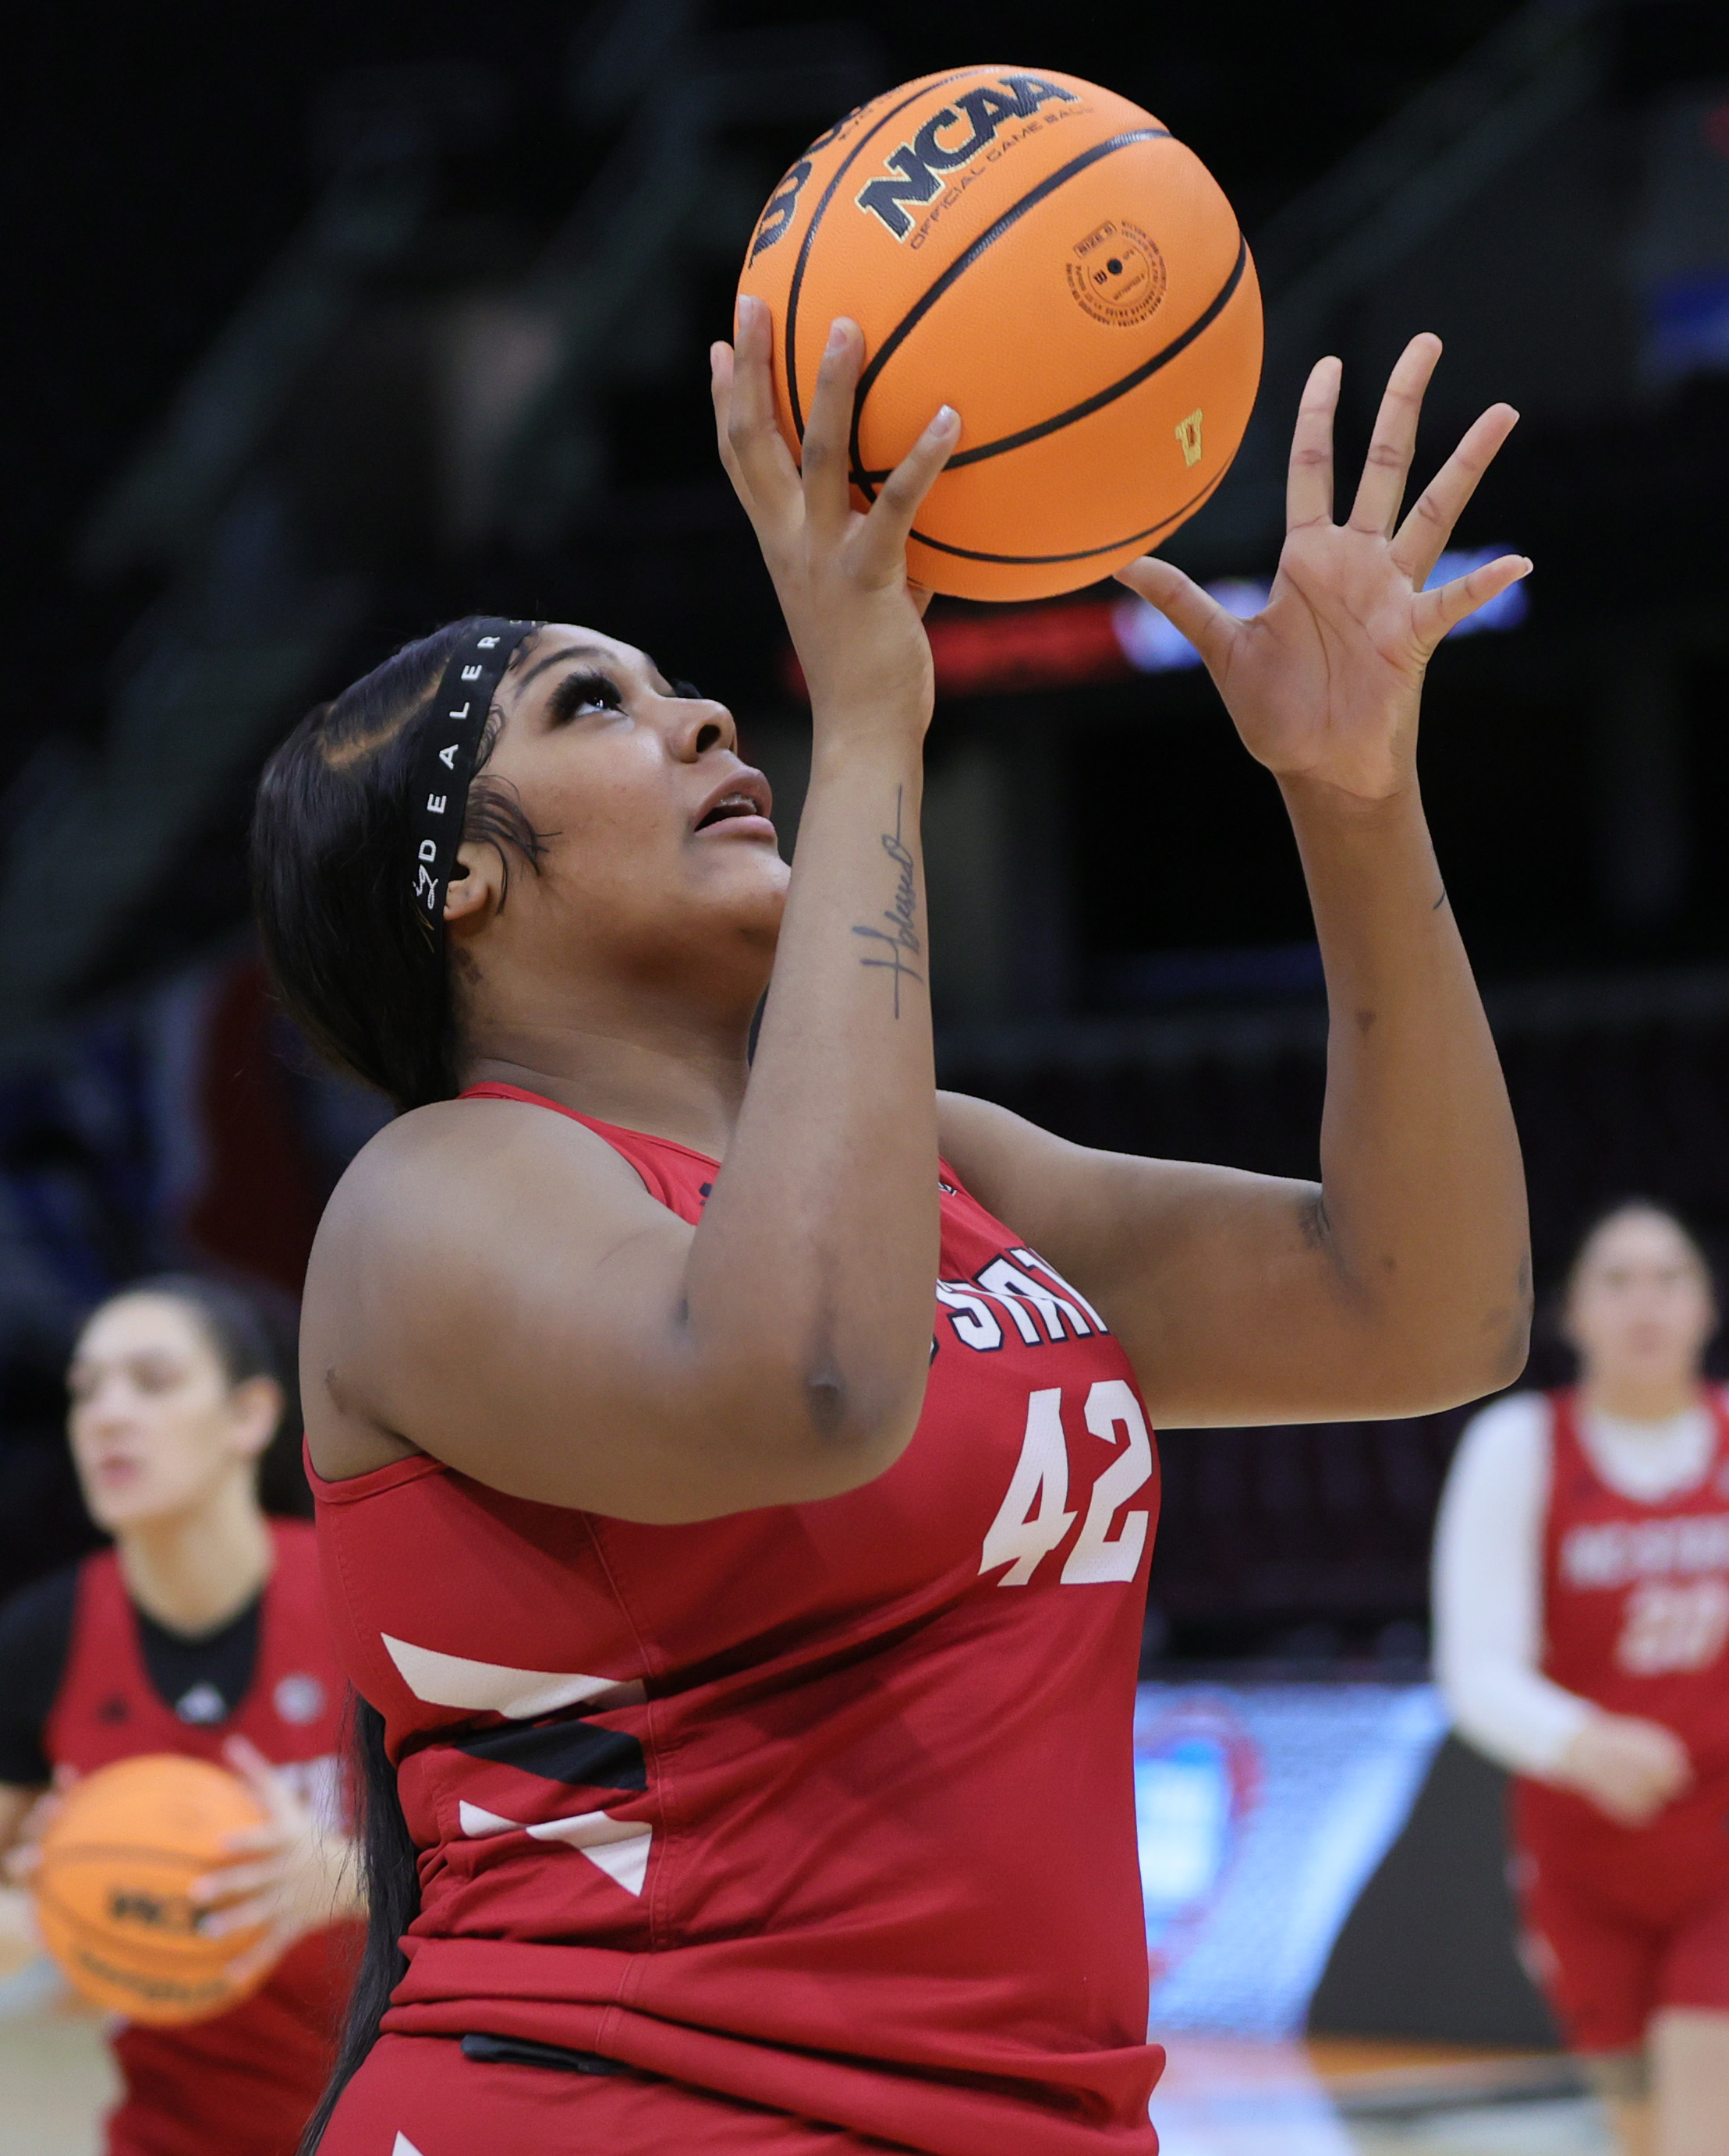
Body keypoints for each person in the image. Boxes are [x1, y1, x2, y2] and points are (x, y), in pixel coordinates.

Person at [252, 307, 1531, 2154]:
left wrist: (1350, 802)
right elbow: (814, 1382)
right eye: (589, 705)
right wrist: (864, 717)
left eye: (675, 681)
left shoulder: (943, 1170)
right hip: (628, 2110)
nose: (698, 711)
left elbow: (1421, 1312)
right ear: (455, 877)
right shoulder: (434, 1194)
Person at [0, 1276, 367, 2156]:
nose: (107, 1415)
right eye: (87, 1389)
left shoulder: (366, 1596)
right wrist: (41, 1921)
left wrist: (351, 1878)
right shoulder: (43, 1637)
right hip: (177, 2131)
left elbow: (519, 1853)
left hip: (389, 2113)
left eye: (152, 1381)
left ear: (249, 1415)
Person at [1435, 1203, 1729, 2156]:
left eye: (1668, 1277)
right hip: (1581, 1858)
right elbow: (1476, 1667)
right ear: (1571, 1315)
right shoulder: (1519, 1444)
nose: (1644, 1300)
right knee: (1643, 2135)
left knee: (1702, 2125)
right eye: (1616, 1278)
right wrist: (1579, 1740)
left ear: (1706, 1308)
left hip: (1719, 1837)